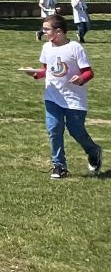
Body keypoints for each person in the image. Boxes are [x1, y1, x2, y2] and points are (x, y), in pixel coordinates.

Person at [20, 14, 101, 180]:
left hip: (74, 99)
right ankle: (59, 166)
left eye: (46, 29)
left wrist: (81, 79)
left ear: (58, 31)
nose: (43, 32)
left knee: (76, 131)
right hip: (52, 97)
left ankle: (93, 151)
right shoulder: (46, 48)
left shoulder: (75, 48)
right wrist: (34, 73)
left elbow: (88, 72)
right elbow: (48, 70)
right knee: (54, 129)